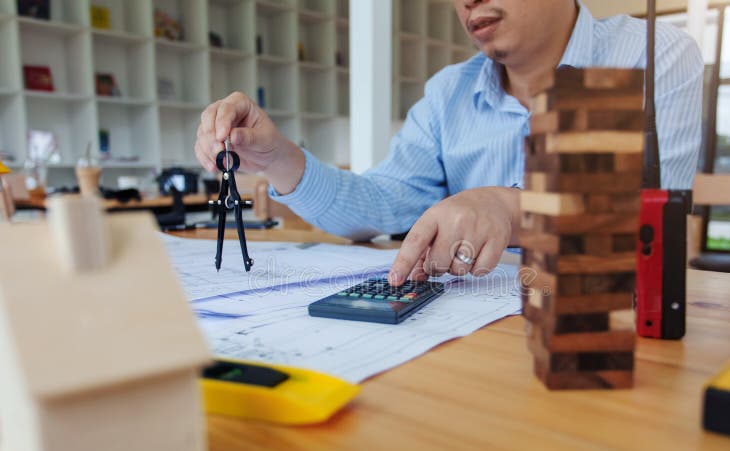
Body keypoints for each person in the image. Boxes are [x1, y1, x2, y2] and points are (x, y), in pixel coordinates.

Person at [195, 0, 703, 285]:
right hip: (471, 341)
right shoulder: (447, 92)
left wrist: (510, 209)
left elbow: (649, 222)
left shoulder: (651, 55)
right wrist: (279, 159)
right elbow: (380, 205)